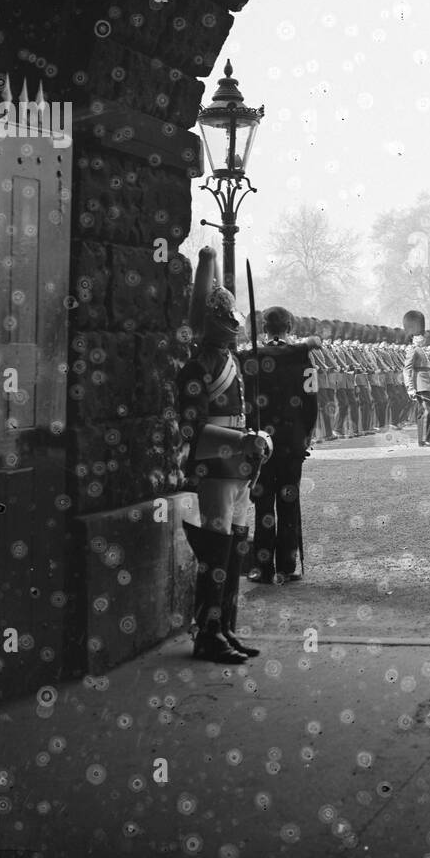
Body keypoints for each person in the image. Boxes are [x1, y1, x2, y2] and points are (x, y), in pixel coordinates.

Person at [178, 247, 272, 664]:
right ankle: (207, 632)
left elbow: (240, 414)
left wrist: (255, 438)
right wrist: (242, 440)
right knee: (215, 551)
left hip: (237, 465)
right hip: (214, 463)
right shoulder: (195, 368)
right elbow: (193, 427)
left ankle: (226, 625)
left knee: (234, 548)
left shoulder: (230, 360)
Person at [246, 308, 320, 585]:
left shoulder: (252, 357)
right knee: (288, 501)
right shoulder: (304, 359)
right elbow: (311, 403)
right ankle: (287, 565)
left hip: (261, 438)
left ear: (264, 327)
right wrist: (307, 436)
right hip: (292, 440)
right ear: (289, 325)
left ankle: (263, 566)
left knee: (263, 503)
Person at [403, 311, 430, 446]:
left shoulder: (422, 350)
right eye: (419, 336)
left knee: (426, 411)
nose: (423, 338)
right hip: (419, 385)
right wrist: (410, 388)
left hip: (425, 383)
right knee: (427, 410)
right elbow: (407, 369)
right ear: (414, 338)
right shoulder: (413, 350)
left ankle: (424, 440)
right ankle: (424, 440)